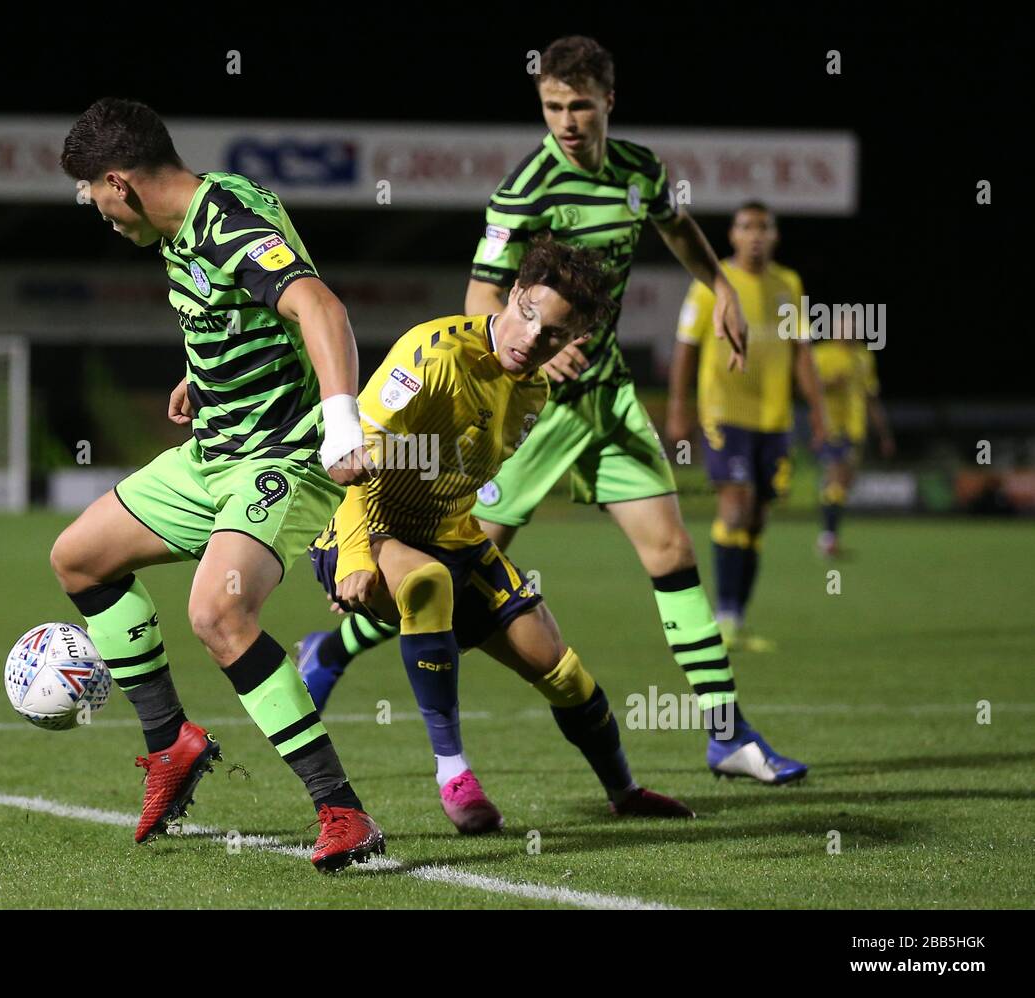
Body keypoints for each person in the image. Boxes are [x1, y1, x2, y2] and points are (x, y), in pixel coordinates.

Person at [300, 36, 807, 785]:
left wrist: (722, 285)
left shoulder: (641, 171)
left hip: (607, 400)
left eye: (579, 105)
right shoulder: (524, 191)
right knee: (452, 572)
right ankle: (333, 649)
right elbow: (482, 300)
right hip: (529, 418)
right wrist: (537, 349)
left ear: (610, 101)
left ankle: (725, 733)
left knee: (672, 555)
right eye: (552, 107)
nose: (566, 121)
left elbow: (677, 228)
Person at [51, 97, 384, 872]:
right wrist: (203, 373)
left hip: (281, 457)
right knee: (79, 557)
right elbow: (252, 305)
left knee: (218, 610)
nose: (94, 210)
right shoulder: (197, 217)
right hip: (213, 453)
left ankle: (343, 812)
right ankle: (171, 741)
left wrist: (342, 424)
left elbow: (320, 307)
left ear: (119, 181)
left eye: (92, 193)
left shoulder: (224, 218)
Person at [309, 237, 694, 833]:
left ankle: (625, 790)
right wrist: (356, 556)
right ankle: (453, 773)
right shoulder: (430, 356)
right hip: (367, 524)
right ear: (515, 295)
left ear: (575, 342)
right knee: (428, 583)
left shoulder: (534, 389)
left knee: (565, 674)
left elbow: (463, 475)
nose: (532, 340)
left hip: (452, 536)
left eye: (555, 337)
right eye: (531, 317)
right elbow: (350, 460)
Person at [669, 201, 827, 658]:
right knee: (735, 506)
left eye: (764, 227)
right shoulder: (711, 282)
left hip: (774, 420)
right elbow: (685, 348)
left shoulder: (789, 285)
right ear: (732, 236)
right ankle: (722, 616)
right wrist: (678, 409)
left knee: (757, 519)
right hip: (724, 412)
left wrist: (818, 412)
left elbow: (802, 352)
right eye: (746, 227)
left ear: (775, 236)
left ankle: (736, 618)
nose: (755, 234)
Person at [811, 313, 893, 557]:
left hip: (856, 430)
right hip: (831, 427)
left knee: (843, 484)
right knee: (837, 480)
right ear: (835, 330)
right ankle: (828, 539)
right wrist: (828, 385)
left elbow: (871, 398)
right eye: (844, 327)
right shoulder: (822, 354)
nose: (849, 331)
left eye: (853, 327)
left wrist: (884, 434)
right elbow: (807, 389)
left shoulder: (864, 356)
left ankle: (829, 533)